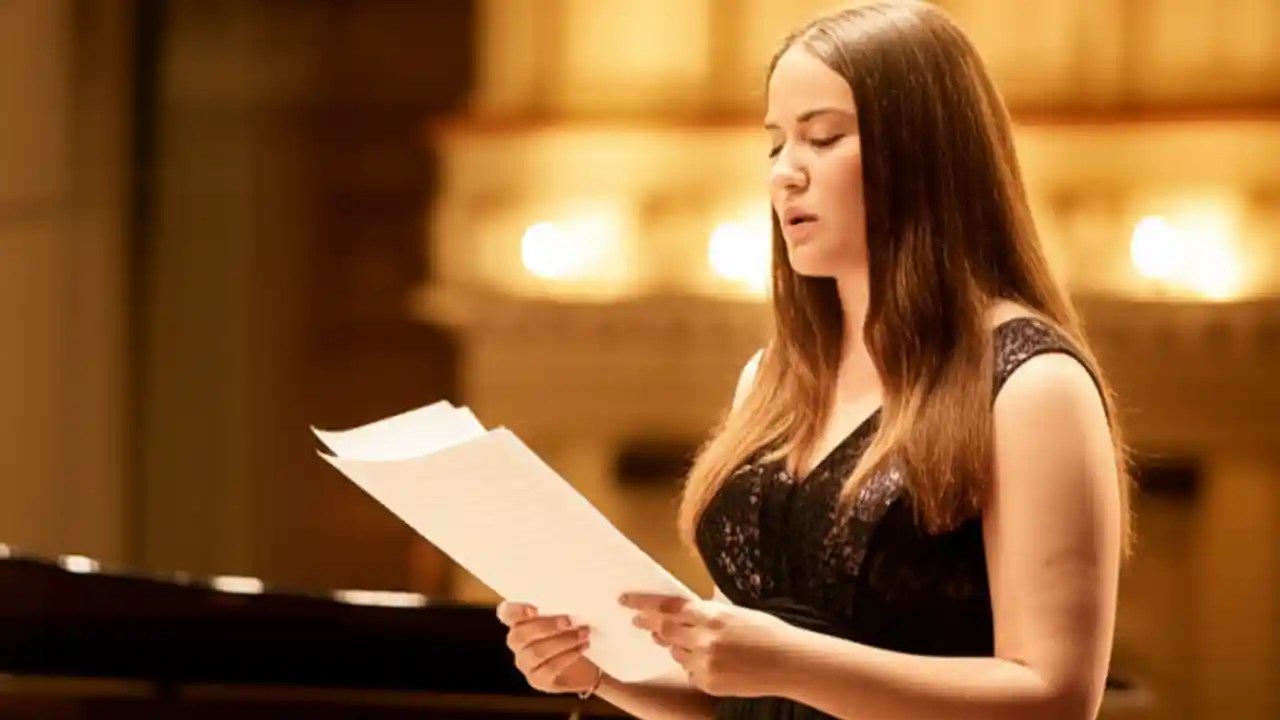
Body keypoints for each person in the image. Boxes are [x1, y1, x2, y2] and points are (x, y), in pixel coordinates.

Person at [497, 2, 1131, 719]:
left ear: (925, 154)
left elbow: (1055, 699)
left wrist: (786, 661)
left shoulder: (1032, 385)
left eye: (822, 138)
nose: (784, 177)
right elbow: (739, 694)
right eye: (774, 146)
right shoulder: (771, 382)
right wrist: (602, 673)